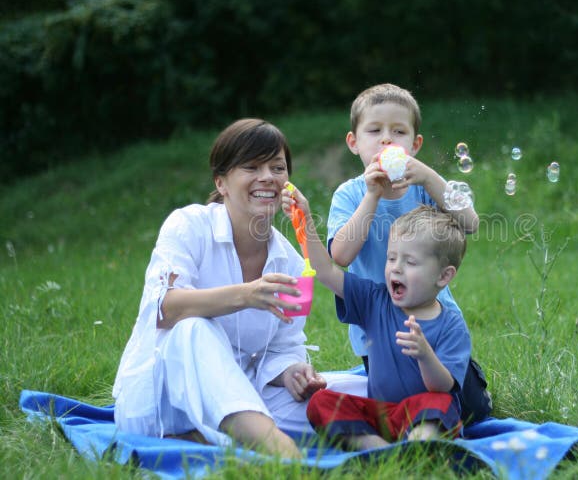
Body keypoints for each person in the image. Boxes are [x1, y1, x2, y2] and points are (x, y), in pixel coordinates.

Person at [112, 118, 366, 458]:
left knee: (356, 390)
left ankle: (413, 426)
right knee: (193, 328)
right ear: (222, 182)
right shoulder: (188, 226)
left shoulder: (289, 260)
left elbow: (284, 346)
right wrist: (245, 295)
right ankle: (280, 451)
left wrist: (293, 372)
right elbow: (164, 308)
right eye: (251, 166)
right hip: (164, 399)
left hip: (244, 395)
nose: (267, 177)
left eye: (277, 167)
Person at [326, 83, 492, 423]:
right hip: (377, 325)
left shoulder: (425, 188)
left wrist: (429, 177)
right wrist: (371, 196)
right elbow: (340, 255)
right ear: (353, 142)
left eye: (399, 131)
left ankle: (471, 390)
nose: (387, 140)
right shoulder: (349, 195)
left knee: (471, 409)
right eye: (374, 130)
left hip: (436, 318)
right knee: (399, 403)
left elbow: (471, 222)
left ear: (414, 145)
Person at [283, 185, 470, 450]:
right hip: (379, 413)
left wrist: (425, 354)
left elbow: (443, 386)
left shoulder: (451, 324)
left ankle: (417, 445)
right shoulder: (374, 300)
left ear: (443, 276)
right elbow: (325, 271)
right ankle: (378, 448)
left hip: (421, 412)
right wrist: (305, 217)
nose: (396, 267)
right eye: (392, 258)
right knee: (321, 403)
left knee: (441, 403)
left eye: (410, 262)